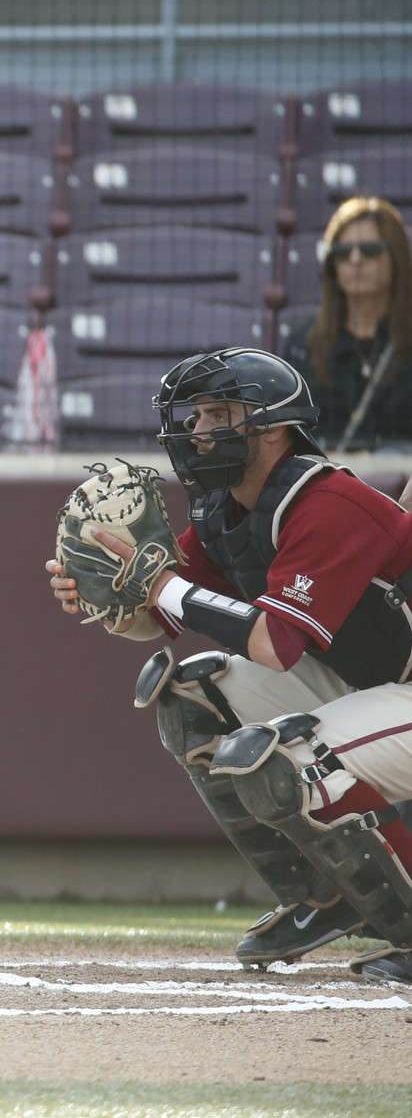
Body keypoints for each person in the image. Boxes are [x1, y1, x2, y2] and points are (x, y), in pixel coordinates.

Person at [45, 347, 412, 982]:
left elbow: (272, 643)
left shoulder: (328, 502)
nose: (196, 430)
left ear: (269, 428)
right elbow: (155, 615)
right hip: (377, 681)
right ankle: (323, 896)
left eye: (217, 413)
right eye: (195, 416)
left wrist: (156, 585)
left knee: (299, 754)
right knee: (193, 692)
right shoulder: (226, 508)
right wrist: (107, 593)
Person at [284, 197, 412, 452]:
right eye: (343, 252)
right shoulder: (303, 346)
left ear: (396, 258)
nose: (355, 259)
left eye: (370, 250)